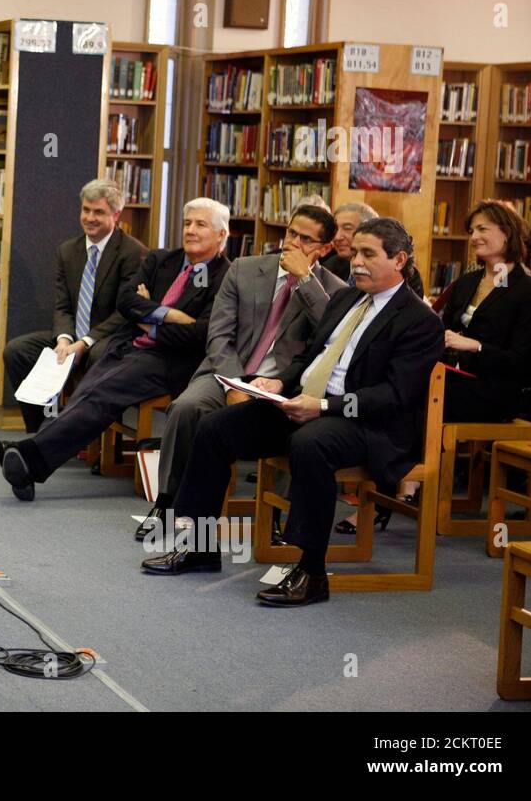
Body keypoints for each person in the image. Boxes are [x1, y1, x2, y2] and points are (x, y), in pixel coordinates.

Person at [142, 218, 443, 607]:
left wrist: (322, 407)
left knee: (310, 442)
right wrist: (280, 383)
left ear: (399, 259)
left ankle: (312, 571)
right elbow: (309, 355)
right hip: (306, 404)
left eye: (370, 255)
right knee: (215, 427)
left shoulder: (419, 321)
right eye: (355, 254)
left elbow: (393, 395)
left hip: (365, 424)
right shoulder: (347, 299)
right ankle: (199, 547)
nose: (357, 264)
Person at [0, 198, 231, 501]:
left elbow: (199, 334)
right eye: (187, 223)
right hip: (126, 345)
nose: (190, 230)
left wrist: (148, 316)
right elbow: (126, 301)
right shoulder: (161, 260)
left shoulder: (226, 278)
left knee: (100, 394)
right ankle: (29, 463)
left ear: (221, 234)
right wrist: (169, 315)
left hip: (169, 361)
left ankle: (28, 454)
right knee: (88, 392)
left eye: (200, 224)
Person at [135, 204, 346, 540]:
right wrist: (235, 383)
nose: (293, 243)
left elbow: (330, 338)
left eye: (306, 239)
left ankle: (276, 516)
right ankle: (167, 501)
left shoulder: (333, 290)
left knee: (297, 420)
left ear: (324, 249)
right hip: (225, 371)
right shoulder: (245, 269)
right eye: (292, 233)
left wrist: (305, 279)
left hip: (283, 382)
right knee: (186, 408)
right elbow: (218, 335)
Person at [2, 179, 145, 431]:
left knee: (99, 356)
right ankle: (40, 430)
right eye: (85, 210)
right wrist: (64, 339)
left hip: (106, 338)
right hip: (73, 336)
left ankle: (78, 434)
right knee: (17, 350)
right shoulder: (67, 251)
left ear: (116, 214)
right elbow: (63, 305)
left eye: (98, 212)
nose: (89, 218)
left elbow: (125, 311)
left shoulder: (133, 253)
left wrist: (85, 342)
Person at [438, 200, 531, 424]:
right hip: (454, 376)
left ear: (506, 233)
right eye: (471, 231)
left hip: (495, 391)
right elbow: (442, 330)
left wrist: (476, 346)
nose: (473, 237)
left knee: (422, 399)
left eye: (482, 229)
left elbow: (521, 362)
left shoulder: (529, 291)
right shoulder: (466, 282)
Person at [320, 202, 377, 282]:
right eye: (335, 229)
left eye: (347, 228)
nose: (337, 237)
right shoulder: (331, 267)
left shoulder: (381, 271)